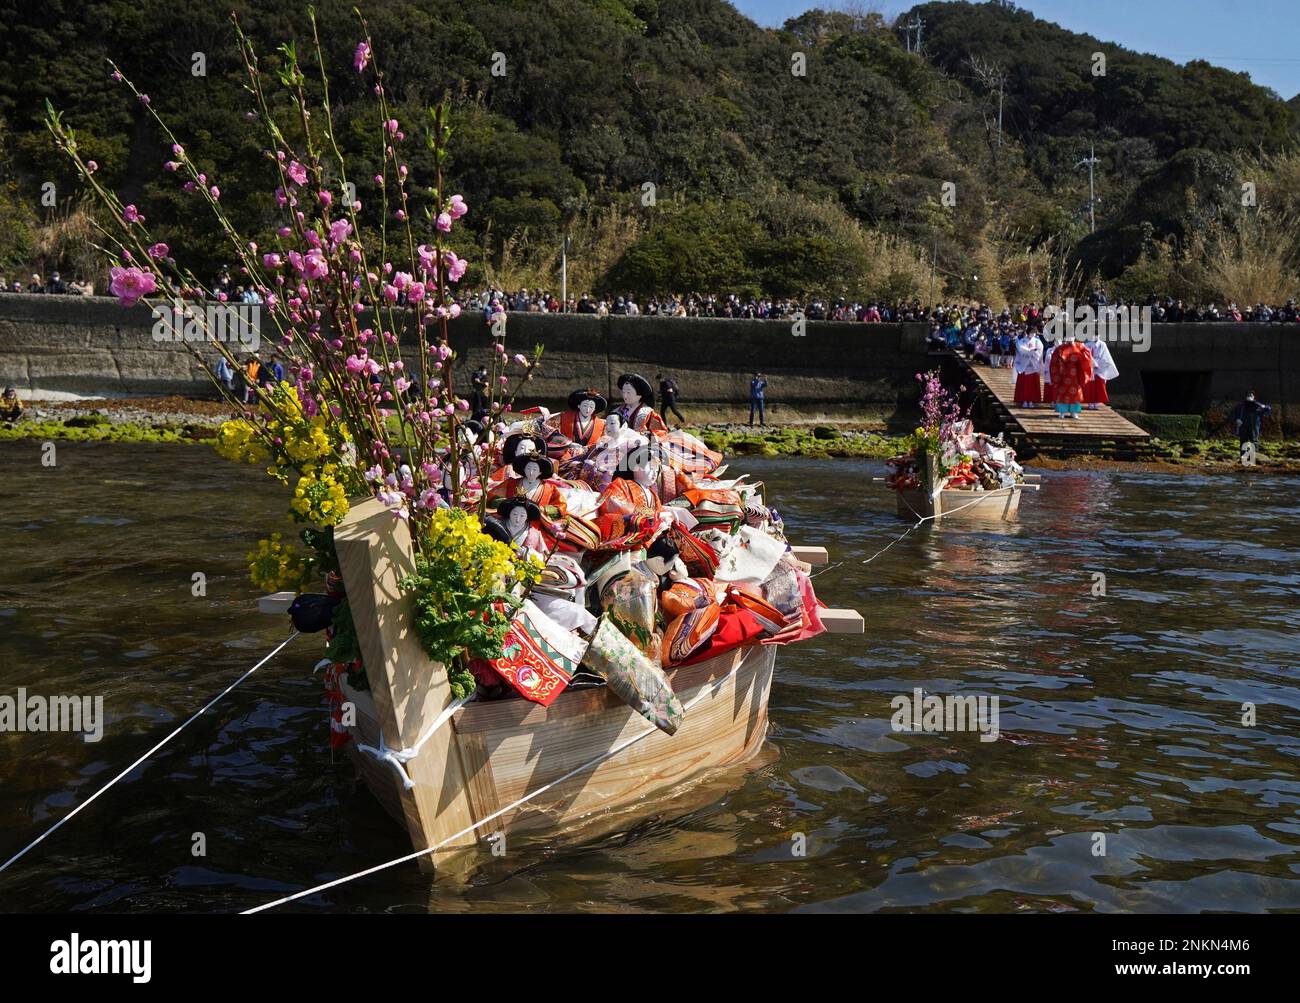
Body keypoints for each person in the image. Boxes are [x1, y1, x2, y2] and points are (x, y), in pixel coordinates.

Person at [1049, 333, 1093, 420]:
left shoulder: (1080, 346)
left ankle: (1074, 412)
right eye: (1068, 336)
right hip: (1063, 373)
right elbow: (1054, 360)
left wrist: (1082, 356)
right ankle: (1062, 412)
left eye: (1072, 336)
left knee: (1076, 393)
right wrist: (1060, 362)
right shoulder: (1060, 348)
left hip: (1076, 373)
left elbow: (1087, 357)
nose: (1070, 338)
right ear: (1065, 337)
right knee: (1063, 392)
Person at [1082, 333, 1119, 410]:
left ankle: (1097, 402)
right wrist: (1093, 363)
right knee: (1090, 385)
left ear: (1099, 335)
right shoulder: (1087, 344)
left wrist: (1099, 364)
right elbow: (1086, 355)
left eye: (1097, 335)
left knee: (1099, 383)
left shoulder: (1102, 344)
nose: (1095, 336)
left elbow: (1106, 356)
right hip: (1091, 366)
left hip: (1100, 367)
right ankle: (1090, 402)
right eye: (1093, 335)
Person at [1012, 330, 1044, 408]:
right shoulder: (1022, 341)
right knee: (1024, 384)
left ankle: (1032, 401)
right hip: (1024, 364)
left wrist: (1033, 352)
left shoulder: (1037, 341)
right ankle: (1024, 400)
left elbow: (1040, 351)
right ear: (1027, 332)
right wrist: (1030, 351)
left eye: (1034, 333)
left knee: (1032, 385)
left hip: (1033, 365)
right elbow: (1020, 349)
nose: (1032, 334)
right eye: (1031, 332)